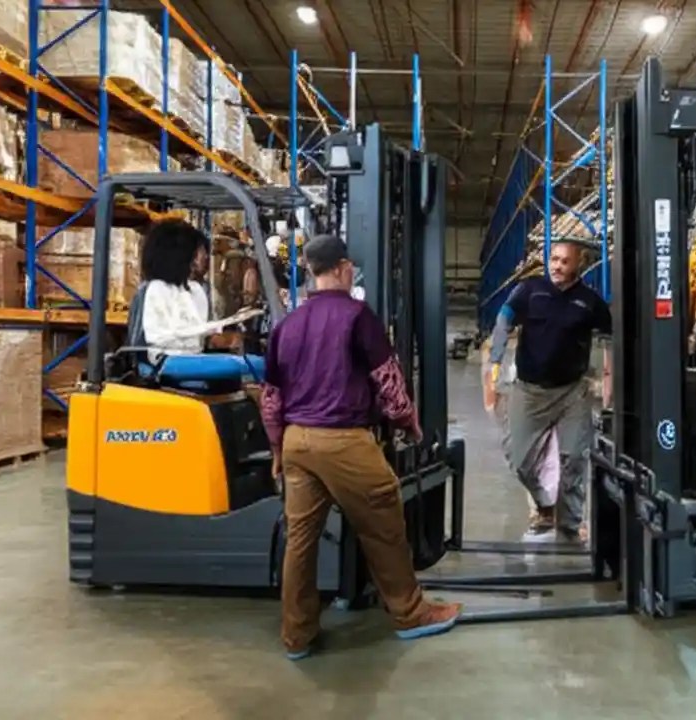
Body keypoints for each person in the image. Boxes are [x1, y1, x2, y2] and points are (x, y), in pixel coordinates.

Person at [260, 234, 461, 661]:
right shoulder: (357, 316)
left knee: (300, 539)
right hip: (344, 440)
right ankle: (410, 614)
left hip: (297, 440)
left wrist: (279, 448)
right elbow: (388, 381)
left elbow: (271, 397)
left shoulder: (287, 324)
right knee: (384, 525)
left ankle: (297, 635)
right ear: (343, 268)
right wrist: (409, 423)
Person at [485, 239, 611, 543]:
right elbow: (504, 317)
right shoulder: (530, 290)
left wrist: (609, 383)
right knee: (519, 459)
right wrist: (496, 358)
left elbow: (609, 341)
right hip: (529, 392)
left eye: (564, 261)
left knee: (574, 458)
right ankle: (545, 505)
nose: (556, 266)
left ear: (578, 264)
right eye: (553, 259)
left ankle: (570, 524)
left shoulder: (590, 301)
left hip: (572, 393)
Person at [138, 219, 264, 381]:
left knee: (260, 363)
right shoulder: (157, 289)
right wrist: (215, 328)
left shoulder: (196, 290)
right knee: (248, 365)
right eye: (199, 251)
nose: (205, 256)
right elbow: (178, 331)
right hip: (168, 359)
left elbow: (200, 334)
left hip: (193, 357)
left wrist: (226, 333)